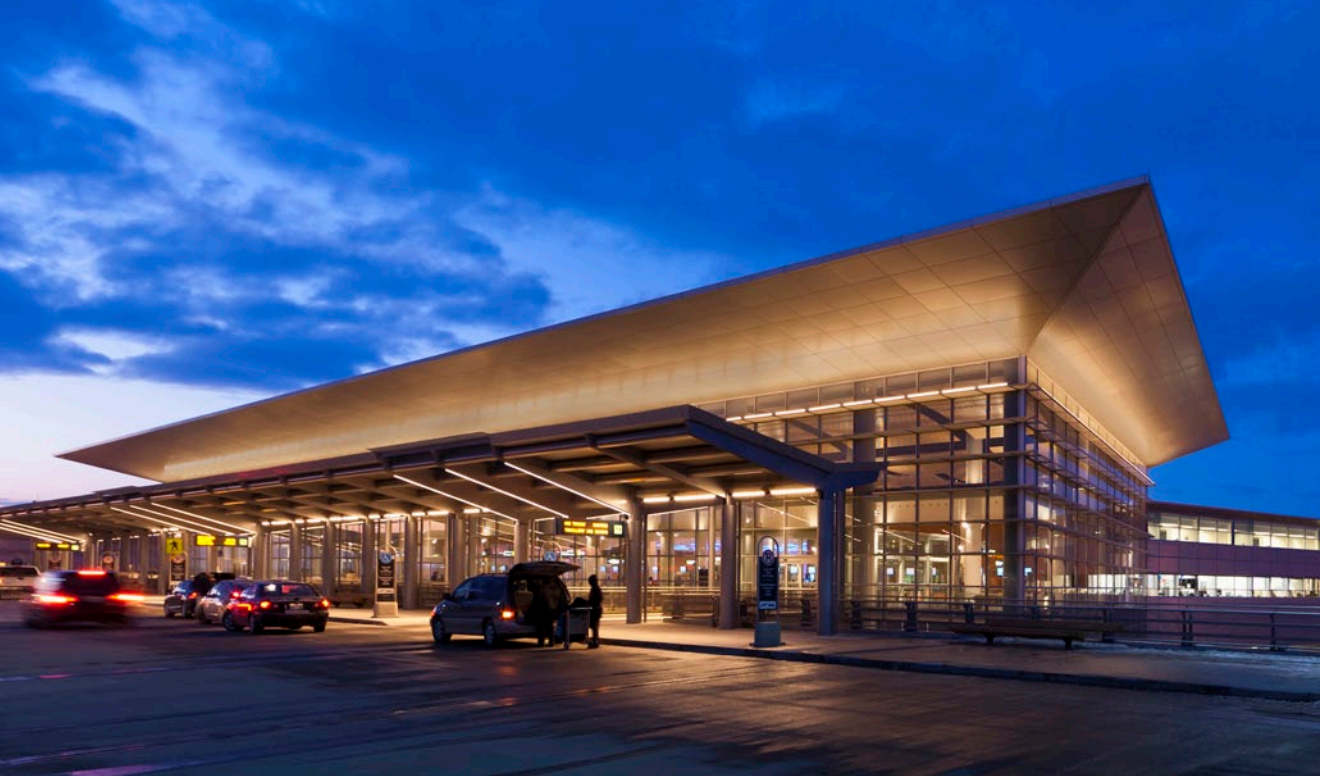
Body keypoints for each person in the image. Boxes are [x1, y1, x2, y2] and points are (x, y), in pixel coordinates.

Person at [587, 574, 603, 648]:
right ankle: (595, 640)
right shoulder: (596, 589)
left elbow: (597, 599)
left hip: (595, 610)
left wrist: (590, 602)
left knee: (594, 626)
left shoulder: (595, 589)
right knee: (594, 627)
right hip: (596, 609)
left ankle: (595, 641)